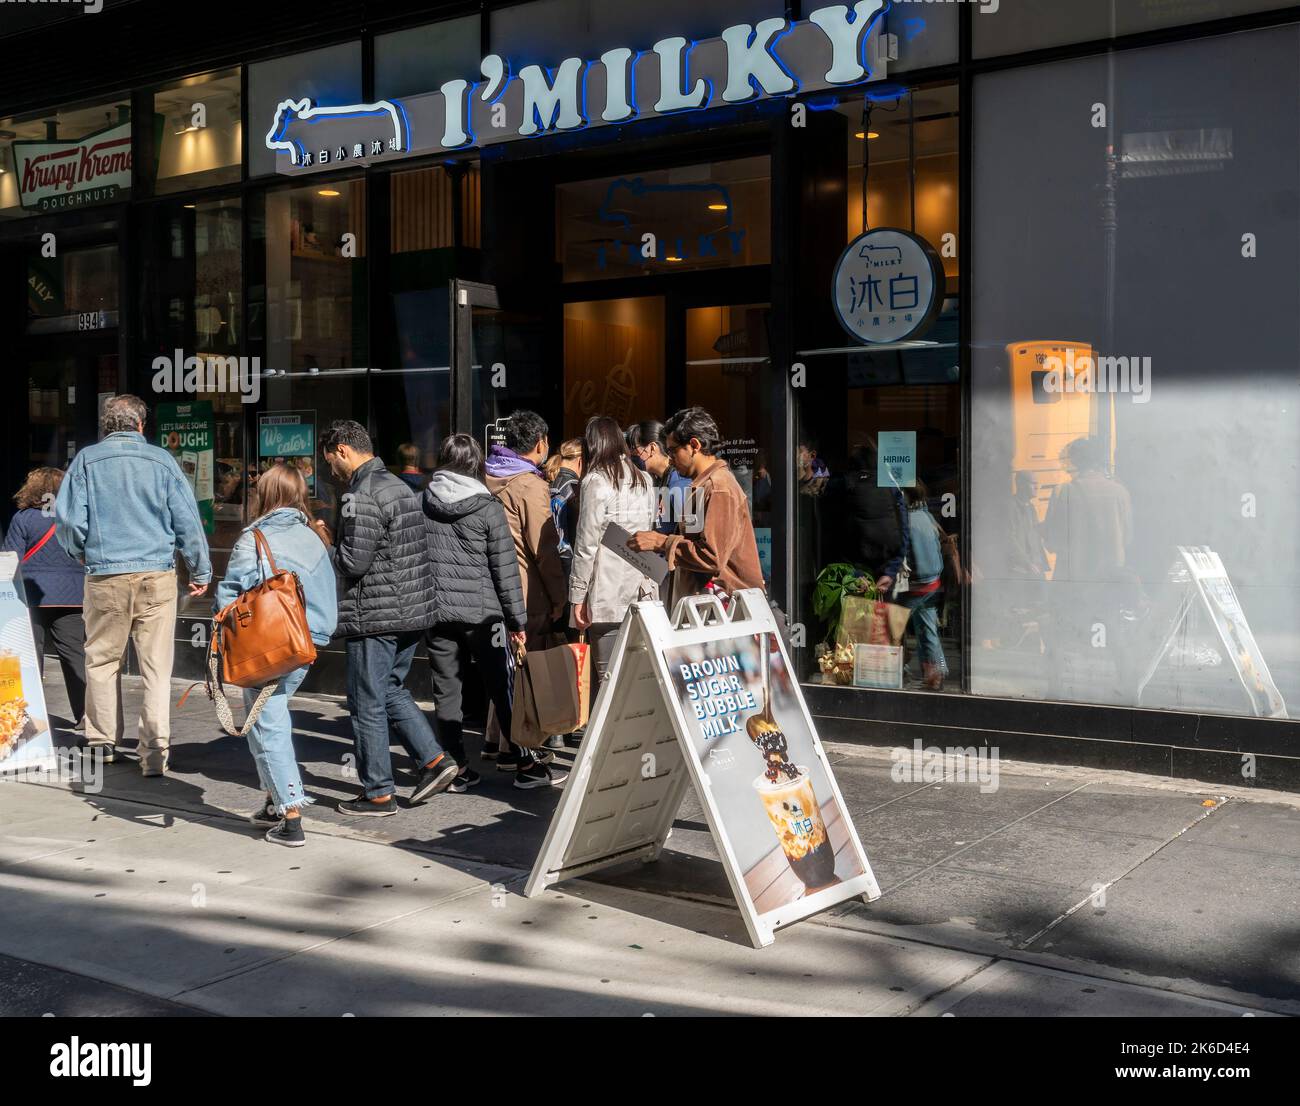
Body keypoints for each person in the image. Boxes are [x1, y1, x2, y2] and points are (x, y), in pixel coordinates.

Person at [54, 395, 211, 775]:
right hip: (156, 575)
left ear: (107, 425)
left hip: (105, 574)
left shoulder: (87, 461)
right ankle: (154, 754)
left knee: (102, 661)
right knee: (157, 668)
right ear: (141, 425)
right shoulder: (162, 461)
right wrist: (201, 570)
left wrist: (82, 553)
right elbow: (187, 521)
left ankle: (102, 743)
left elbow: (70, 521)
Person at [321, 419, 458, 816]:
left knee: (365, 703)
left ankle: (379, 792)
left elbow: (353, 561)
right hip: (411, 610)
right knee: (392, 689)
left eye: (332, 461)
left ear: (343, 451)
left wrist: (325, 542)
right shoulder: (399, 485)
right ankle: (435, 761)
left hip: (376, 614)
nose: (332, 470)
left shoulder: (362, 493)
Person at [421, 435, 557, 790]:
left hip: (437, 612)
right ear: (475, 465)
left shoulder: (423, 501)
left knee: (446, 689)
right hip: (485, 615)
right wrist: (517, 620)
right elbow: (505, 570)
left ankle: (455, 767)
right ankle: (526, 763)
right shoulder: (487, 506)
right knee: (502, 685)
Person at [213, 465, 337, 846]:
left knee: (269, 724)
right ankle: (272, 801)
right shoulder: (313, 535)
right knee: (267, 713)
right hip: (305, 642)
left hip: (268, 645)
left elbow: (230, 598)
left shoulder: (255, 538)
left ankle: (291, 816)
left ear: (265, 495)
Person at [484, 410, 567, 781]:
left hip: (492, 588)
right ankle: (524, 757)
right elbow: (544, 549)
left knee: (504, 668)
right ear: (540, 444)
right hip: (526, 590)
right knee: (525, 672)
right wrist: (560, 595)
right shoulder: (529, 485)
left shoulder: (487, 477)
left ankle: (499, 744)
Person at [627, 407, 764, 601]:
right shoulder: (703, 485)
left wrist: (660, 542)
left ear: (694, 445)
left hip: (726, 611)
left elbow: (711, 557)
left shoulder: (719, 487)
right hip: (707, 608)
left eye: (673, 451)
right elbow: (695, 547)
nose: (670, 459)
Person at [570, 416, 658, 684]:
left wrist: (577, 596)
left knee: (608, 678)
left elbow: (586, 545)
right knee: (636, 678)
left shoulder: (596, 481)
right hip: (643, 588)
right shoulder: (645, 480)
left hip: (606, 592)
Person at [4, 467, 87, 729]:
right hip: (73, 595)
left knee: (31, 657)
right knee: (76, 657)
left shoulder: (24, 518)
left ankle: (28, 718)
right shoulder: (75, 518)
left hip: (32, 596)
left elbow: (10, 558)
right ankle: (86, 715)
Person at [845, 437, 909, 597]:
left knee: (860, 618)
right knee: (884, 618)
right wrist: (891, 571)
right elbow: (903, 529)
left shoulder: (846, 485)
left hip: (858, 566)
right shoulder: (890, 485)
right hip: (886, 564)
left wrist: (856, 574)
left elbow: (839, 532)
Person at [899, 483, 947, 691]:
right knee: (927, 628)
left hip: (916, 584)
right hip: (933, 582)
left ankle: (897, 667)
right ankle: (936, 673)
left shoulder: (906, 520)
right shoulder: (927, 517)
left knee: (891, 624)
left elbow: (902, 554)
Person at [627, 419, 694, 536]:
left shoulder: (681, 483)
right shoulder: (659, 480)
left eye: (634, 448)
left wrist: (660, 544)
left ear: (652, 448)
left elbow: (692, 537)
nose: (631, 454)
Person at [546, 437, 583, 574]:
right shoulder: (575, 489)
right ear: (581, 461)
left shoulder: (549, 481)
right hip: (569, 560)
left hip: (550, 557)